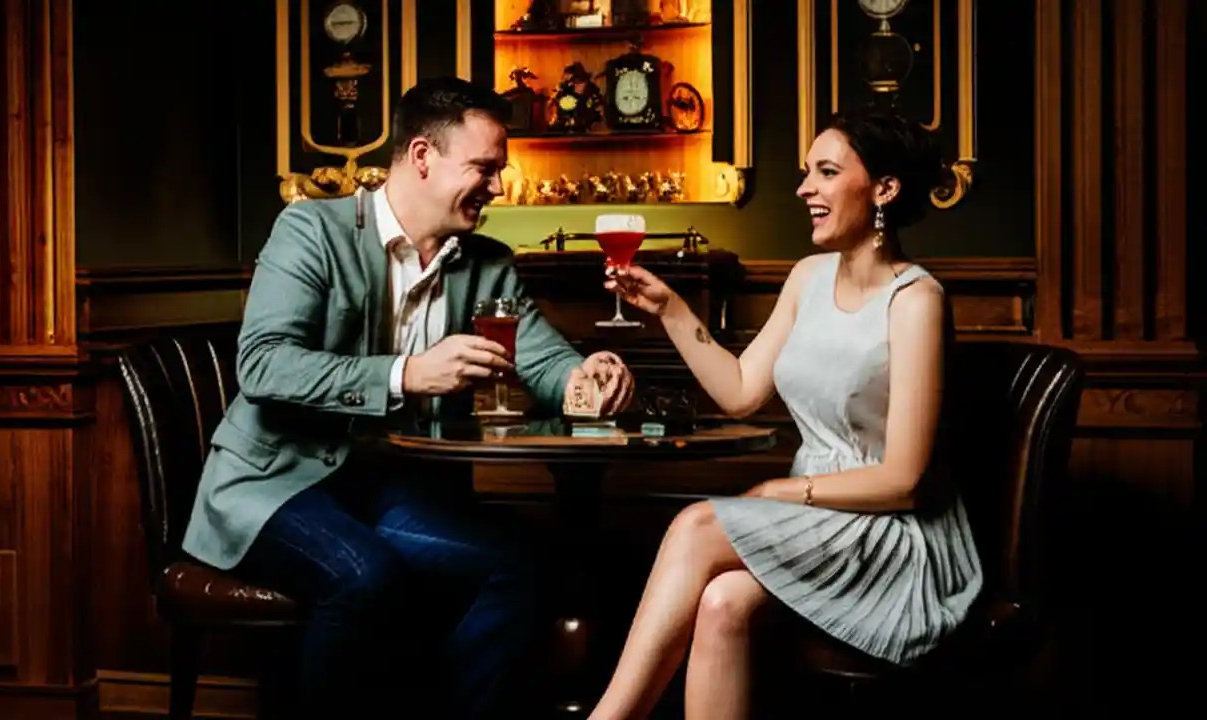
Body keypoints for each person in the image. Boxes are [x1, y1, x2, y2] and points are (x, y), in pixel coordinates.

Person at [180, 76, 635, 718]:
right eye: (484, 167)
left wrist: (588, 375)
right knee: (365, 578)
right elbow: (264, 365)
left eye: (501, 170)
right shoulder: (311, 229)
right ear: (422, 156)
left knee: (519, 567)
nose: (499, 186)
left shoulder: (487, 263)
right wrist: (405, 374)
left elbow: (543, 358)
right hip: (273, 485)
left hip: (384, 490)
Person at [588, 109, 984, 719]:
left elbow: (904, 481)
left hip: (887, 529)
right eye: (807, 173)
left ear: (884, 189)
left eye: (826, 172)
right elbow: (742, 390)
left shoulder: (916, 300)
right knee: (722, 604)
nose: (804, 189)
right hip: (814, 522)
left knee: (696, 526)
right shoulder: (806, 277)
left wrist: (782, 488)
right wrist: (671, 310)